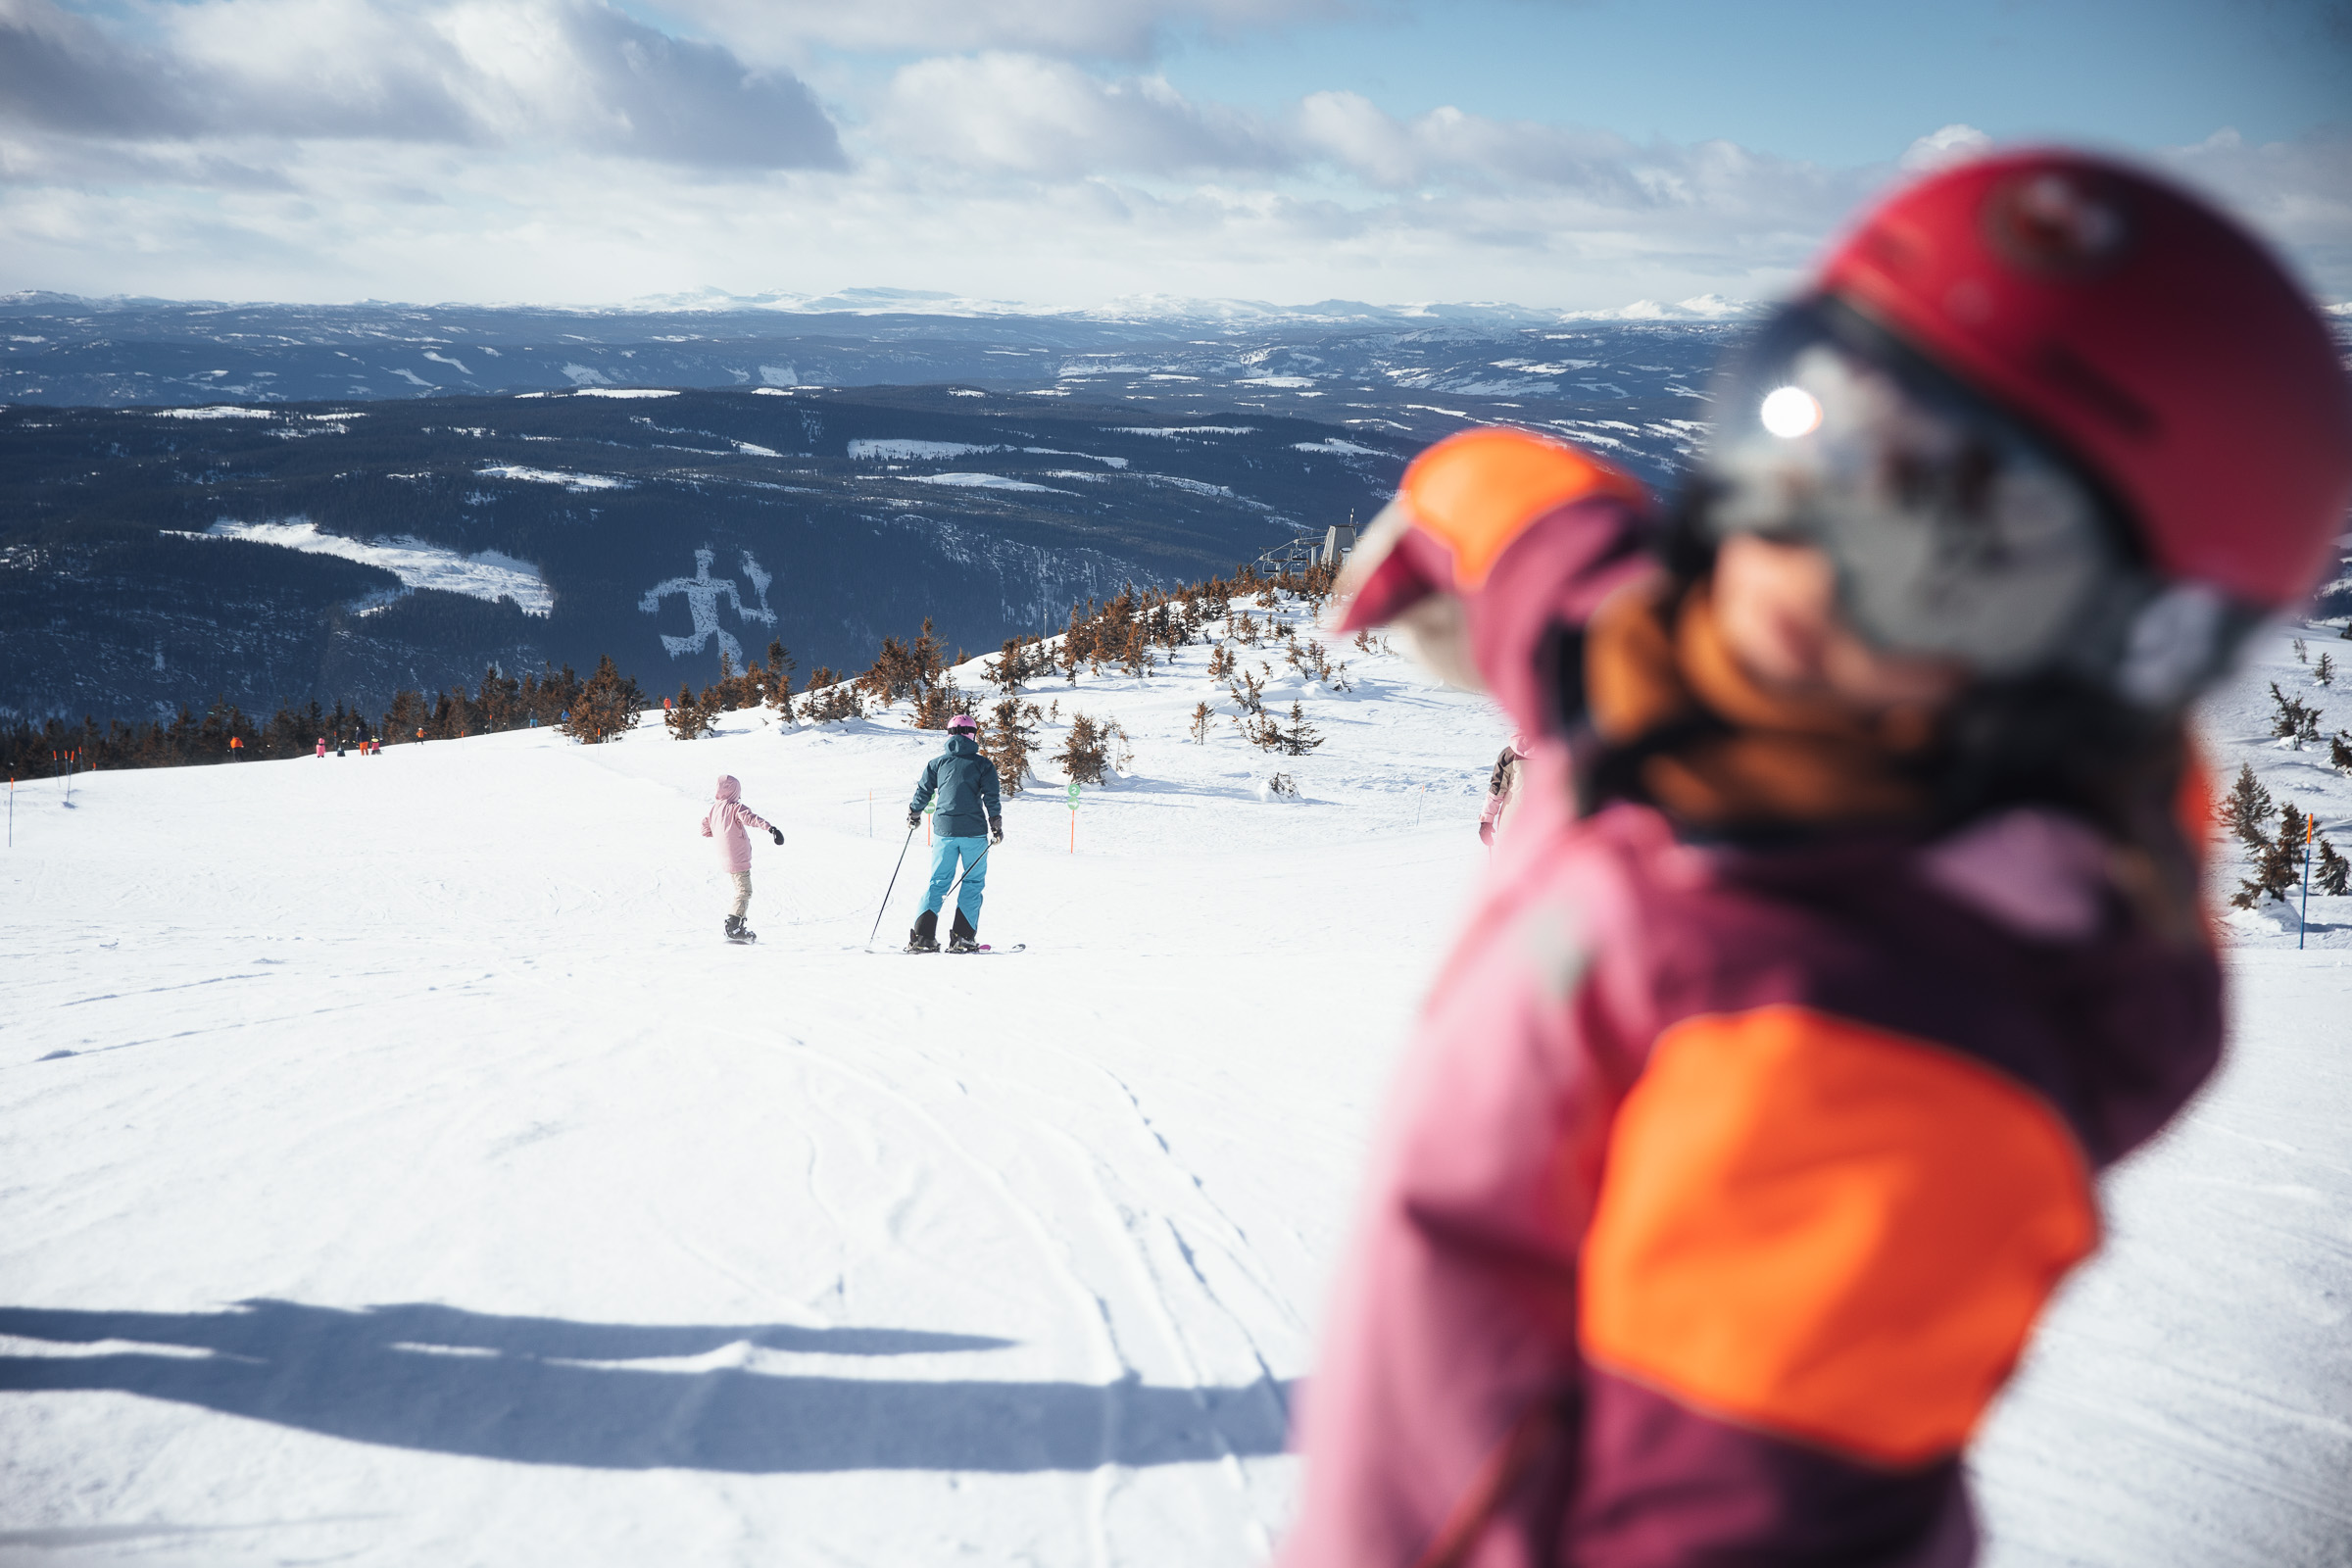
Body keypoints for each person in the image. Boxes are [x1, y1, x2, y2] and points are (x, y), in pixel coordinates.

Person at [1284, 149, 2352, 1567]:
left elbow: (1728, 1524)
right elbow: (1568, 557)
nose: (1799, 555)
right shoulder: (1713, 680)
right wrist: (1458, 503)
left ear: (2114, 654)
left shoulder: (1868, 1056)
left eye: (1954, 548)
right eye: (1815, 440)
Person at [906, 712, 1003, 953]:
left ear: (949, 734)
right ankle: (963, 938)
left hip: (944, 831)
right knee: (972, 882)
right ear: (973, 734)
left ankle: (922, 938)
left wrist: (914, 814)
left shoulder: (937, 763)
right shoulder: (983, 764)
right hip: (973, 833)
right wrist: (996, 826)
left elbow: (923, 791)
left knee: (938, 882)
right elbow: (991, 797)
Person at [701, 773, 782, 943]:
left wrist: (722, 833)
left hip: (726, 858)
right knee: (744, 891)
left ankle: (738, 926)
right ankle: (733, 927)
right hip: (738, 856)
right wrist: (771, 829)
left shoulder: (714, 809)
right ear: (733, 791)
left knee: (741, 890)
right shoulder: (734, 807)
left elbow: (705, 829)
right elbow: (751, 819)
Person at [1478, 733, 1529, 848]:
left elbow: (1496, 791)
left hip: (1512, 824)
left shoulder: (1508, 754)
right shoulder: (1559, 752)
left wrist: (1486, 820)